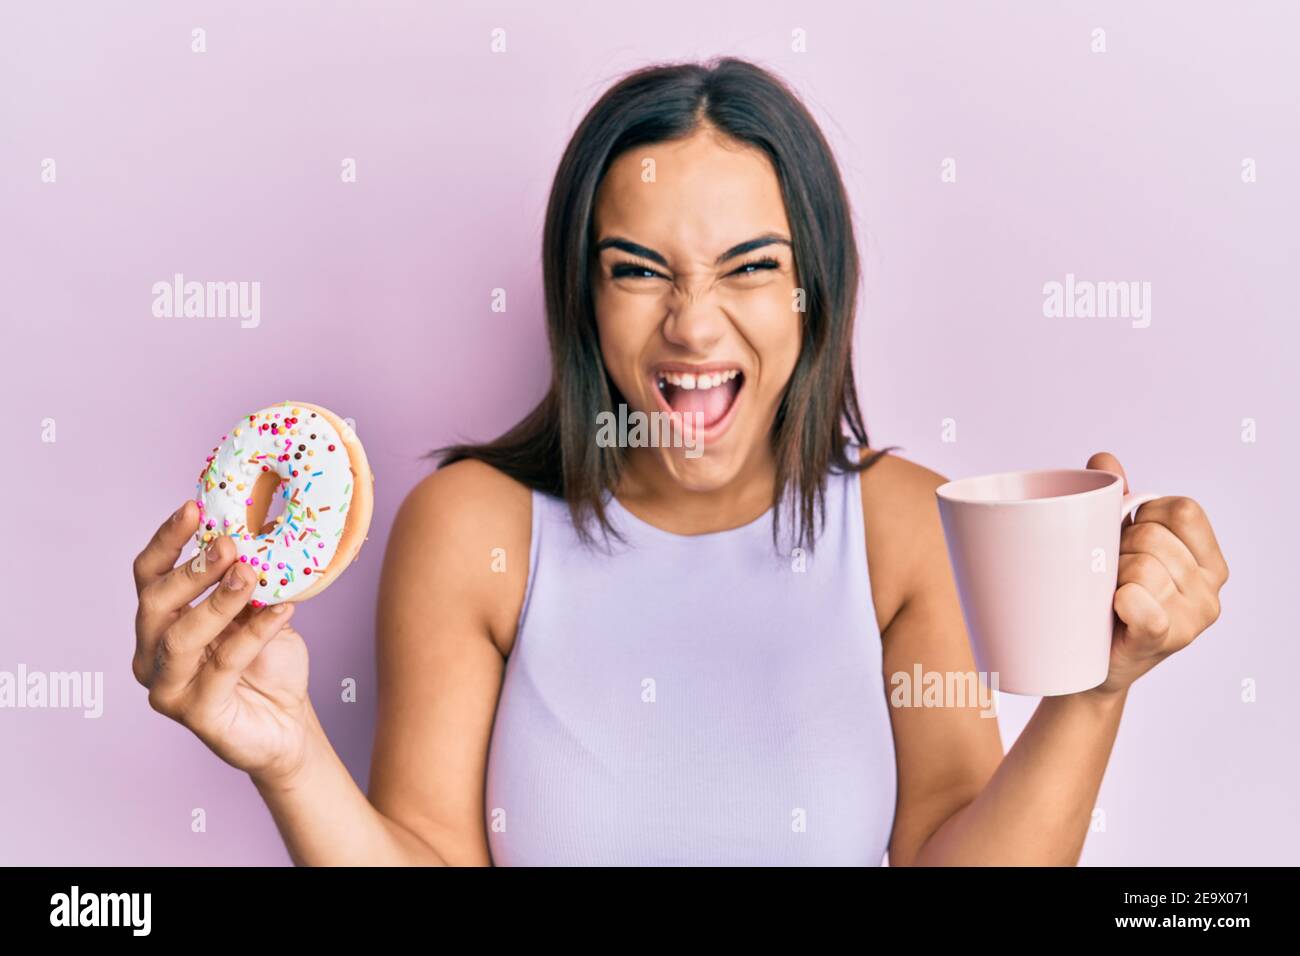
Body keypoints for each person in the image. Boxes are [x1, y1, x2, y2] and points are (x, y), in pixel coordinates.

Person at [130, 57, 1229, 866]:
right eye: (638, 270)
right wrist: (289, 756)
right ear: (582, 295)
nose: (694, 328)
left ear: (816, 295)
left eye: (750, 267)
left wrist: (1098, 687)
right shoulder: (472, 528)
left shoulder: (903, 522)